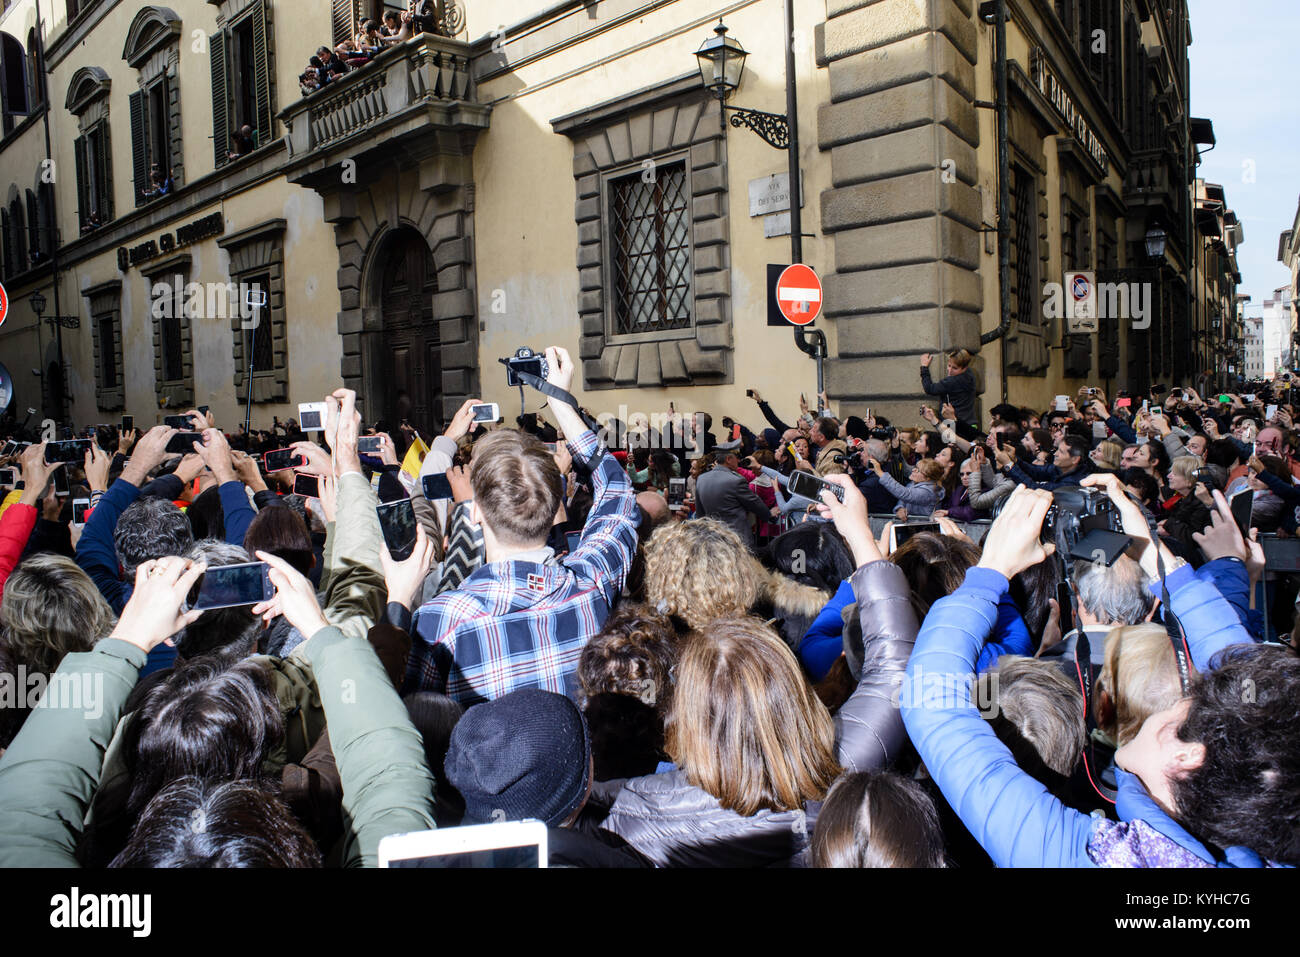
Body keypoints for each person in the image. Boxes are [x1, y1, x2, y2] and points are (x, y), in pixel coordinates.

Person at [901, 480, 1300, 867]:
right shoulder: (1266, 826)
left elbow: (931, 701)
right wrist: (1160, 560)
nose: (1186, 692)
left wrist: (990, 573)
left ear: (1187, 755)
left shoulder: (1097, 859)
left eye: (1191, 701)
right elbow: (1243, 679)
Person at [406, 347, 640, 706]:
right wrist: (559, 401)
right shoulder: (592, 582)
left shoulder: (438, 623)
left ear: (474, 511)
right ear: (553, 505)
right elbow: (616, 488)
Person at [693, 450, 775, 548]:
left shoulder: (701, 479)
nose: (739, 460)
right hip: (737, 539)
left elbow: (700, 514)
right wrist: (770, 515)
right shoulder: (736, 480)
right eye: (737, 457)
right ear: (728, 459)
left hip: (714, 539)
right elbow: (755, 504)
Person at [920, 349, 978, 426]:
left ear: (964, 368)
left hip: (957, 426)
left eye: (955, 368)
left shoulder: (953, 381)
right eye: (949, 365)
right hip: (970, 424)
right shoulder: (970, 374)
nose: (950, 370)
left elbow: (929, 389)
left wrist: (924, 367)